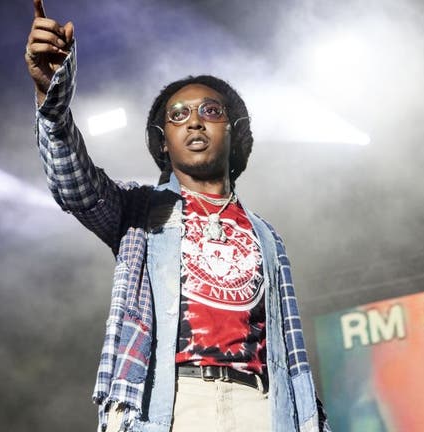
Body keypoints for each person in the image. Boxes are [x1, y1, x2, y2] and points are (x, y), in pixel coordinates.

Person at [25, 1, 331, 431]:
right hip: (169, 404)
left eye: (210, 111)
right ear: (164, 141)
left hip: (260, 405)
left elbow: (288, 347)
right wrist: (51, 99)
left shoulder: (265, 235)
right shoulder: (140, 211)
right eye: (178, 115)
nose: (194, 123)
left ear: (233, 131)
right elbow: (75, 187)